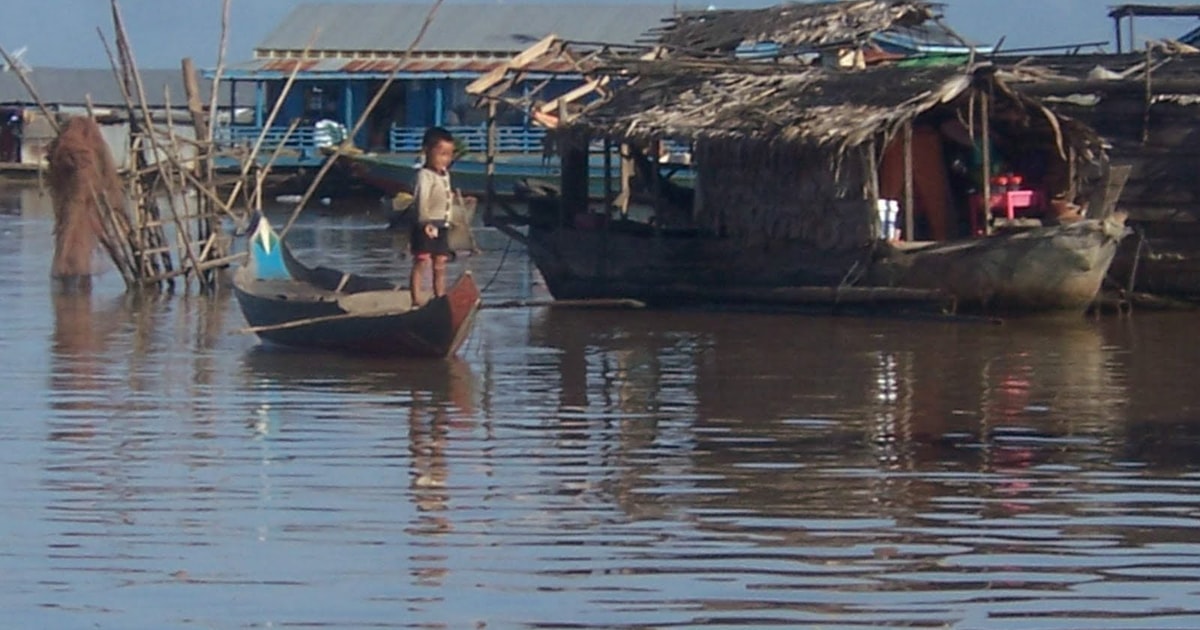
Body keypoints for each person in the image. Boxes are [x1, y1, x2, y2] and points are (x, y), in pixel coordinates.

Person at [410, 126, 456, 306]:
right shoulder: (424, 175)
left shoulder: (445, 175)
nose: (446, 159)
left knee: (440, 263)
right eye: (441, 154)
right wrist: (425, 223)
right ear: (427, 151)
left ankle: (440, 298)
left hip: (442, 224)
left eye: (449, 154)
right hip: (426, 224)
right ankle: (416, 300)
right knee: (422, 261)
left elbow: (445, 196)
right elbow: (422, 200)